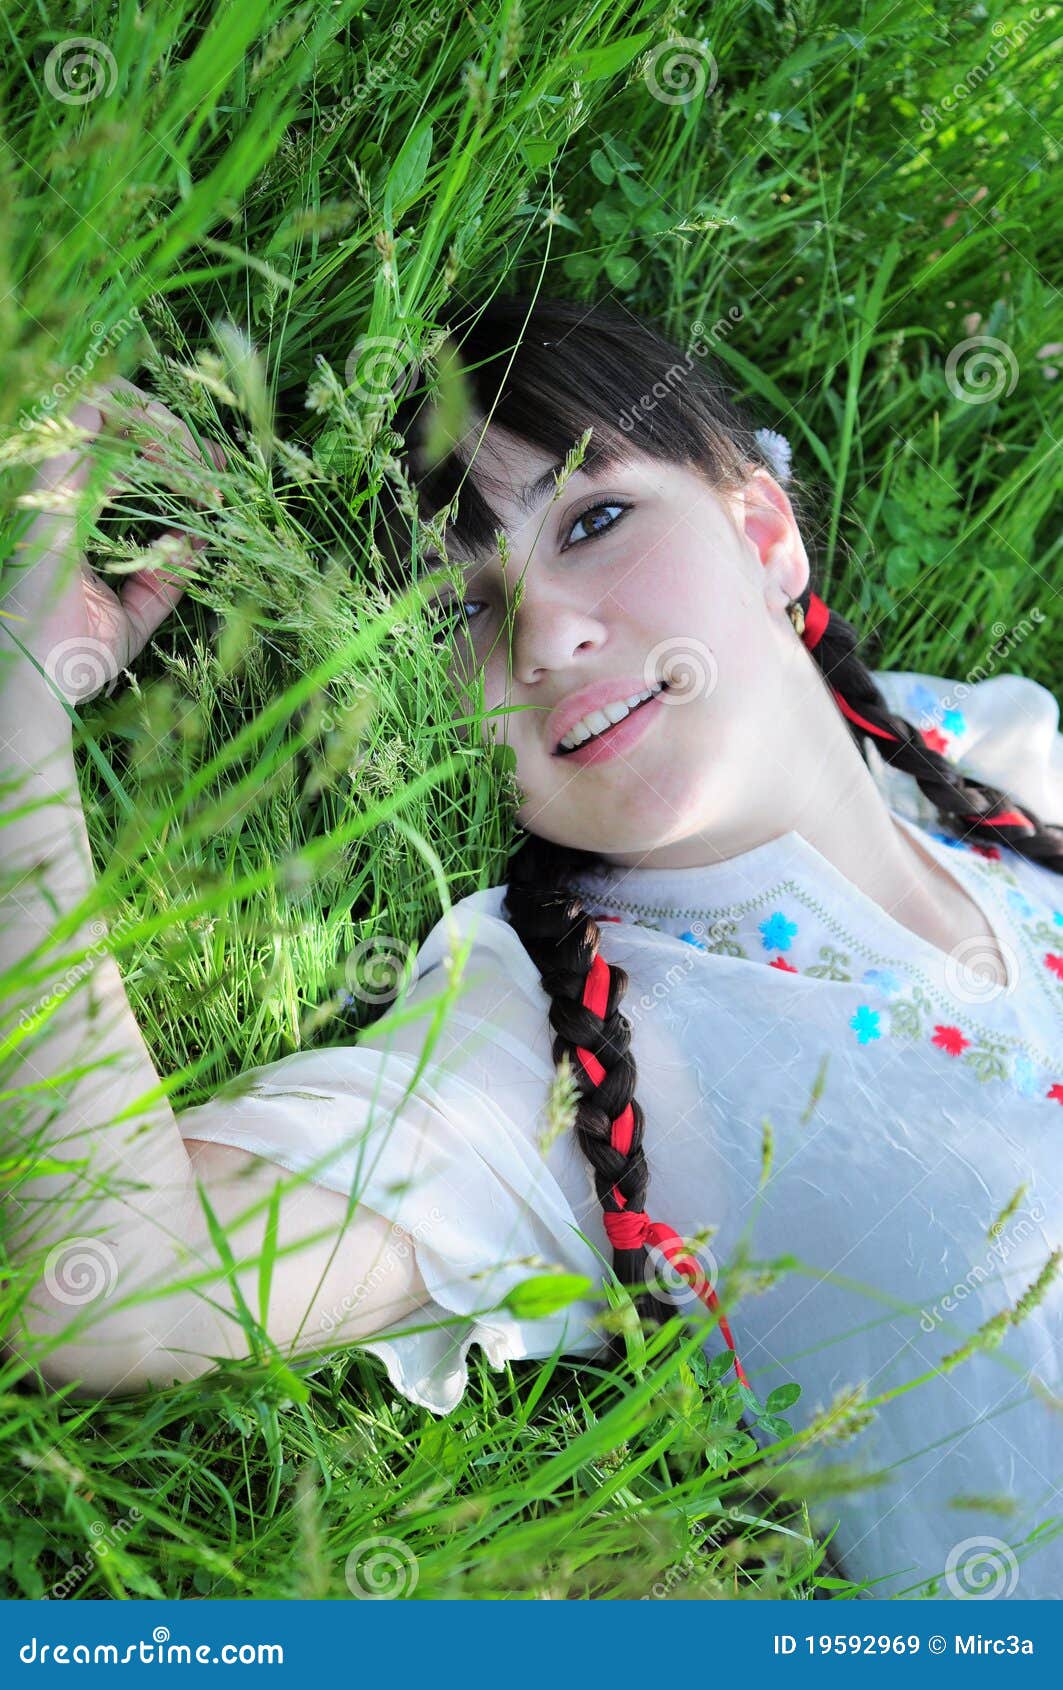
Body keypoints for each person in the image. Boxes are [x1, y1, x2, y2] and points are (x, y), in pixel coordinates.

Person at [3, 295, 1062, 1602]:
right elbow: (116, 1287)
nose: (548, 633)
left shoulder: (1000, 757)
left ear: (762, 527)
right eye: (462, 613)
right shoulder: (570, 1048)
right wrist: (22, 738)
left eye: (595, 519)